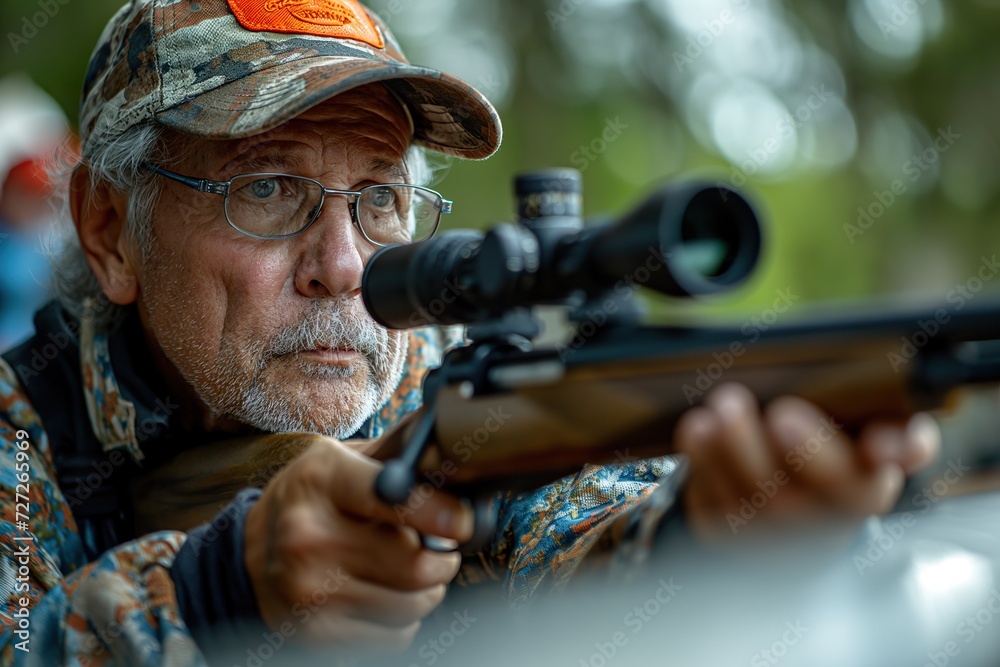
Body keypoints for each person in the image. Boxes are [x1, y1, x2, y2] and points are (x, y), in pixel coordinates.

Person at [0, 0, 939, 664]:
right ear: (110, 228)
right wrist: (213, 596)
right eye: (268, 188)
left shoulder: (445, 379)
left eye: (381, 200)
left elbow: (584, 517)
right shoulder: (25, 429)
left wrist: (704, 539)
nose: (347, 266)